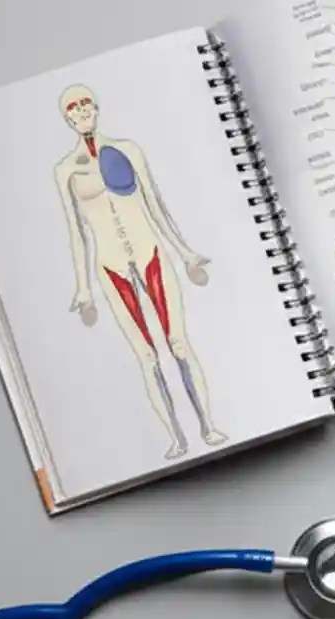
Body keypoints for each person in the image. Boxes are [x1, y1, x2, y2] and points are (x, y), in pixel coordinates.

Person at [54, 84, 227, 460]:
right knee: (147, 356)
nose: (81, 111)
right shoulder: (66, 171)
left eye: (86, 103)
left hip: (150, 253)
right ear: (66, 117)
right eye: (73, 107)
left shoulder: (128, 150)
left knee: (178, 343)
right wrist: (83, 287)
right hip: (110, 266)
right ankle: (178, 439)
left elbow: (155, 204)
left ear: (97, 107)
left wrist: (185, 253)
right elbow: (76, 231)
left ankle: (208, 427)